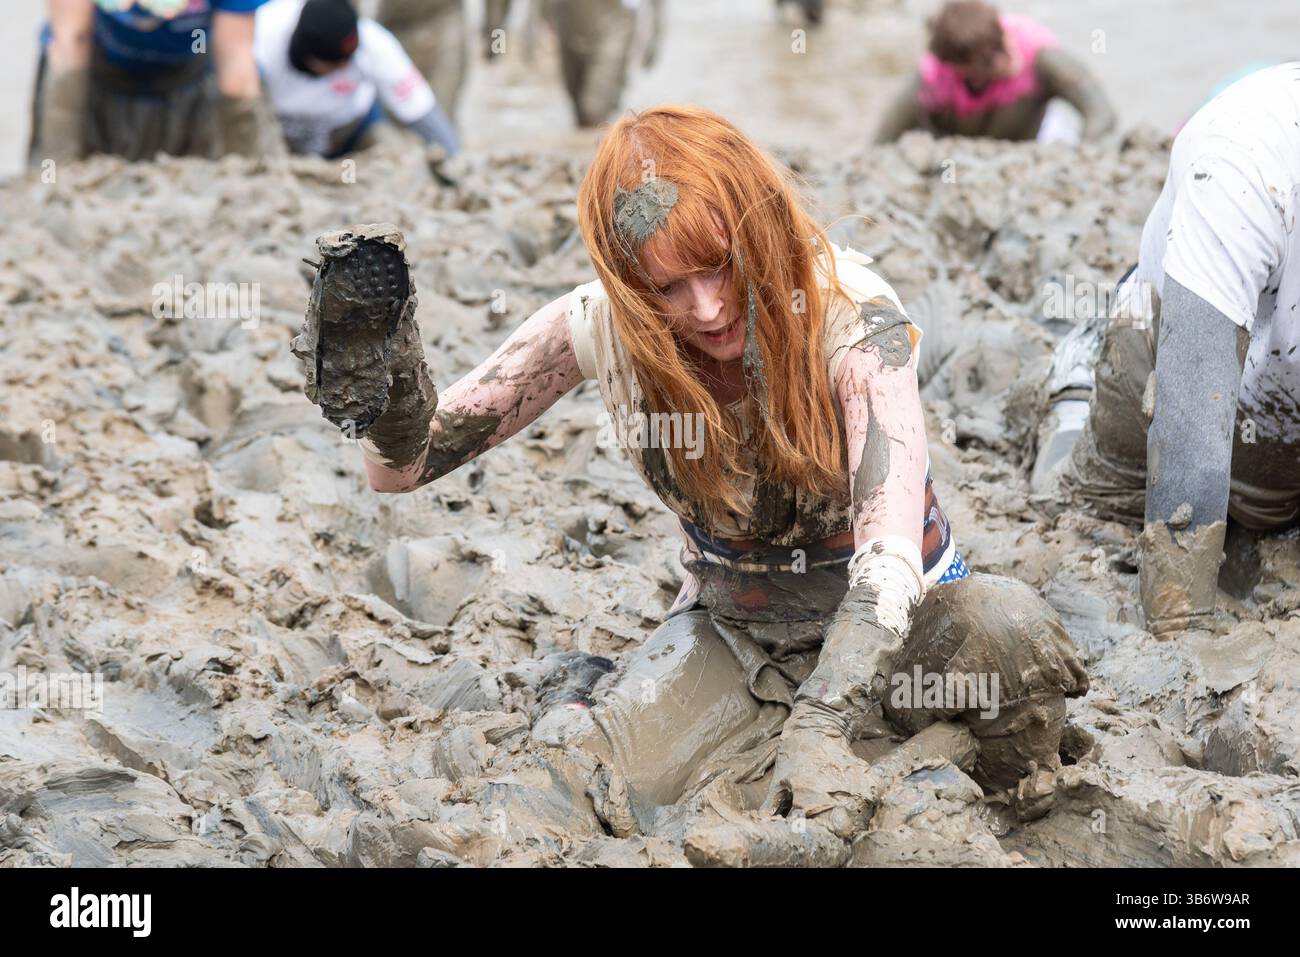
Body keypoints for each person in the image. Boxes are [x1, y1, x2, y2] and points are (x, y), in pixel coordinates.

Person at [291, 105, 1087, 836]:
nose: (705, 309)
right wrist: (392, 398)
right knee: (584, 781)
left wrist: (821, 721)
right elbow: (408, 467)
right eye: (667, 285)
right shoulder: (603, 326)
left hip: (905, 621)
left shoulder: (851, 311)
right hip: (737, 629)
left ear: (761, 233)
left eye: (719, 268)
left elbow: (887, 560)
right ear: (629, 282)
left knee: (1007, 627)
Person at [1034, 63, 1300, 636]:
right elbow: (1191, 423)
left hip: (1285, 431)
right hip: (1165, 360)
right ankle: (1071, 389)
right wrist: (1181, 622)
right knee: (1073, 506)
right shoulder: (1249, 157)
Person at [30, 0, 271, 166]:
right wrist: (57, 163)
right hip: (94, 81)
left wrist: (248, 166)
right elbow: (71, 41)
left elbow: (234, 60)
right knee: (62, 173)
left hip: (190, 80)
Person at [874, 0, 1115, 144]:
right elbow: (881, 141)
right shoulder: (932, 82)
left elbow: (1101, 112)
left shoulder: (1040, 56)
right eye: (990, 60)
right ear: (960, 68)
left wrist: (1081, 154)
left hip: (1027, 146)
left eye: (1004, 42)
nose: (1010, 59)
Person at [254, 0, 459, 159]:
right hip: (280, 134)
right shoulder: (263, 34)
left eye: (349, 60)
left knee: (393, 150)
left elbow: (421, 112)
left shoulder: (374, 44)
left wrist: (455, 159)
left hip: (350, 132)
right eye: (337, 64)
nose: (346, 66)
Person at [374, 0, 468, 126]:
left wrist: (493, 26)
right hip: (397, 28)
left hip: (445, 19)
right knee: (394, 120)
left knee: (441, 115)